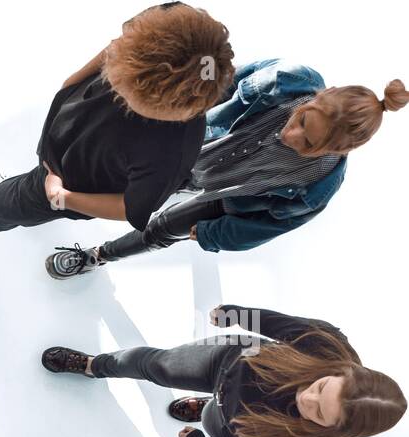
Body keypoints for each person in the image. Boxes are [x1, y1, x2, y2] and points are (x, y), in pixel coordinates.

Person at [0, 3, 234, 246]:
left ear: (154, 106)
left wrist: (63, 197)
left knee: (4, 207)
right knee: (28, 182)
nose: (113, 66)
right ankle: (23, 184)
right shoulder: (168, 28)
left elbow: (130, 209)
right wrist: (70, 84)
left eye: (120, 82)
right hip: (59, 147)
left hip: (70, 186)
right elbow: (119, 43)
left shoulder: (170, 153)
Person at [47, 64, 407, 278]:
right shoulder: (288, 80)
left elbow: (270, 225)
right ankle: (40, 187)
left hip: (215, 195)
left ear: (336, 150)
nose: (290, 135)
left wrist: (210, 235)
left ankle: (98, 256)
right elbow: (223, 80)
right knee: (111, 161)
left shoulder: (318, 185)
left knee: (159, 228)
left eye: (308, 144)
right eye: (301, 120)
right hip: (182, 142)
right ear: (318, 97)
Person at [42, 304, 405, 437]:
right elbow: (279, 325)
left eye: (319, 413)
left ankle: (204, 407)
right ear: (342, 371)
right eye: (321, 387)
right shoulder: (329, 346)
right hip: (229, 361)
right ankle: (94, 365)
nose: (306, 399)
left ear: (335, 431)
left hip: (236, 423)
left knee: (212, 418)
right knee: (156, 366)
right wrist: (236, 315)